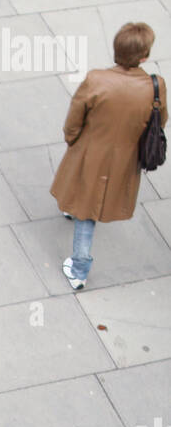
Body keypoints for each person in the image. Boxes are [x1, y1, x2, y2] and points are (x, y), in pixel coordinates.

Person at [51, 21, 167, 290]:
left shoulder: (96, 79)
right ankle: (73, 224)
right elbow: (159, 121)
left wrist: (72, 138)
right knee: (94, 200)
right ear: (145, 56)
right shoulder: (155, 85)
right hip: (125, 158)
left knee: (87, 209)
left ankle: (79, 268)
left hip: (90, 152)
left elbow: (75, 118)